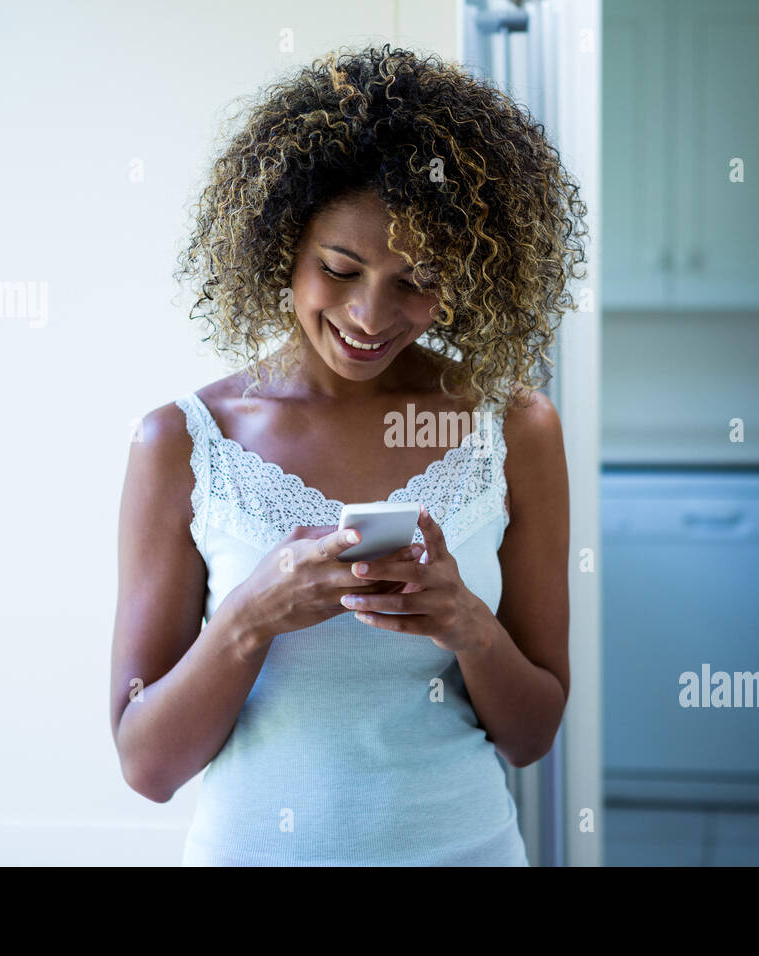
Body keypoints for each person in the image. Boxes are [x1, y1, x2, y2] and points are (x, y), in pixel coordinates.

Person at [109, 44, 587, 865]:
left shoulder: (516, 429)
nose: (371, 316)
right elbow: (148, 766)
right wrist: (253, 616)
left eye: (417, 280)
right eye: (341, 268)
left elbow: (532, 736)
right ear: (282, 245)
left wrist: (467, 624)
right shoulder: (183, 443)